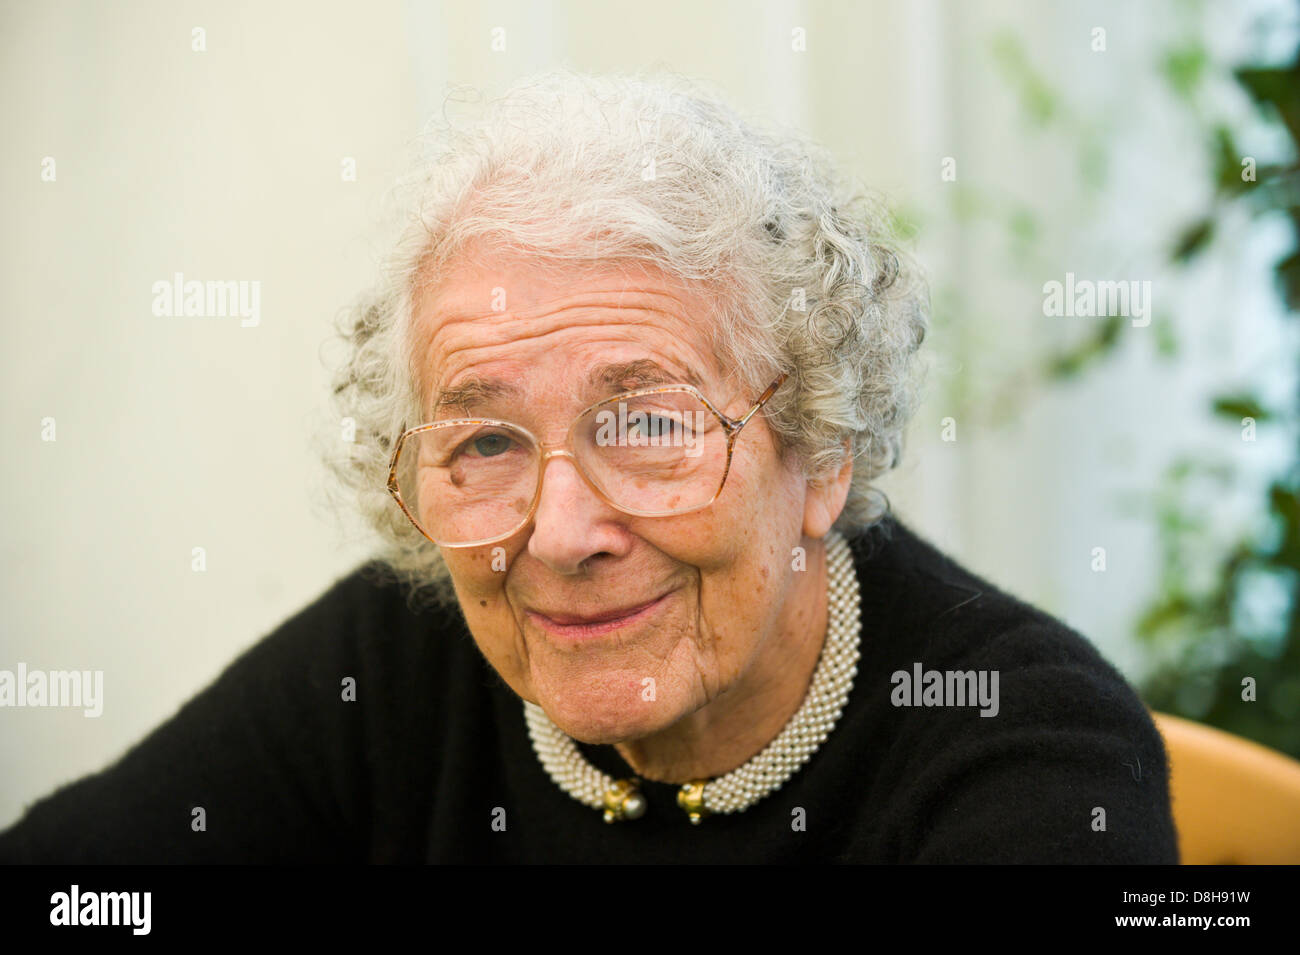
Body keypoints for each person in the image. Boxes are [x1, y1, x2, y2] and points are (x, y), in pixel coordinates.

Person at [0, 69, 1178, 863]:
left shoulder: (1022, 739)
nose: (559, 534)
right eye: (485, 441)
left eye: (650, 425)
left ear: (819, 450)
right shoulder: (399, 659)